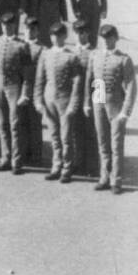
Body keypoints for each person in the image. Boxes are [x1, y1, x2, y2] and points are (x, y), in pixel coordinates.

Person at [86, 24, 137, 194]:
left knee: (116, 144)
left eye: (109, 38)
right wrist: (88, 103)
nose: (106, 41)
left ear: (116, 38)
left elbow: (131, 87)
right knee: (102, 142)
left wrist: (125, 111)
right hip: (98, 101)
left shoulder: (124, 59)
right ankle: (104, 178)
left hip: (116, 103)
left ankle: (117, 181)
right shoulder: (95, 56)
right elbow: (90, 81)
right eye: (103, 38)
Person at [34, 22, 87, 183]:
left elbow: (77, 82)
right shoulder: (45, 54)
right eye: (53, 35)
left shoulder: (71, 56)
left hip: (65, 99)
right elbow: (39, 79)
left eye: (59, 35)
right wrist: (38, 100)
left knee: (65, 137)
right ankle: (56, 166)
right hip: (49, 98)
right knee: (54, 135)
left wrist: (73, 104)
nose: (55, 38)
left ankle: (66, 168)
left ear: (65, 36)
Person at [0, 11, 34, 174]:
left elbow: (27, 74)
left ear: (15, 26)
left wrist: (25, 93)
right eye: (4, 25)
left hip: (14, 85)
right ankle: (5, 158)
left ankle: (16, 161)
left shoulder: (22, 45)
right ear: (1, 26)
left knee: (15, 124)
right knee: (2, 123)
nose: (7, 28)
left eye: (10, 25)